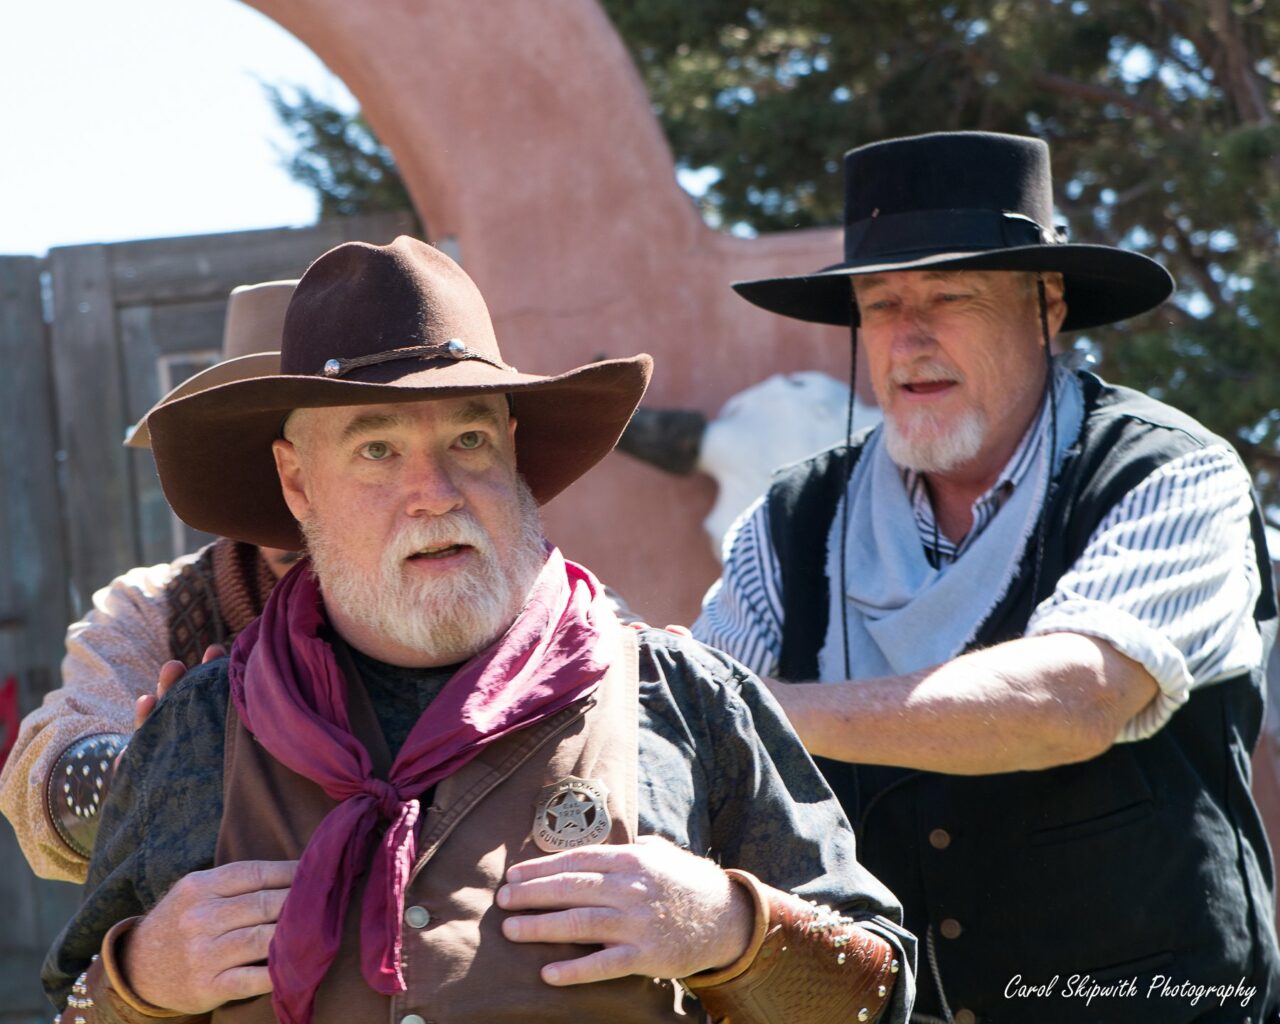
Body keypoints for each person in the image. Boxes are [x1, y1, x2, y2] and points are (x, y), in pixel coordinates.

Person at [43, 236, 914, 1024]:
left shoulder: (681, 697)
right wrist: (139, 981)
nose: (437, 492)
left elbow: (876, 995)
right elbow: (75, 1010)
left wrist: (732, 929)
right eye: (377, 450)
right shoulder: (197, 731)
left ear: (515, 453)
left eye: (467, 439)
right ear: (298, 486)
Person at [694, 131, 1280, 1023]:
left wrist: (752, 712)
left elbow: (1075, 697)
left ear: (1047, 307)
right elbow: (701, 760)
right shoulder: (786, 523)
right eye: (881, 303)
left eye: (949, 296)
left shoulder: (1170, 474)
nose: (909, 337)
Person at [0, 280, 296, 882]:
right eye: (271, 457)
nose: (296, 492)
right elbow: (50, 771)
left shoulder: (447, 585)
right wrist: (134, 772)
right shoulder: (151, 606)